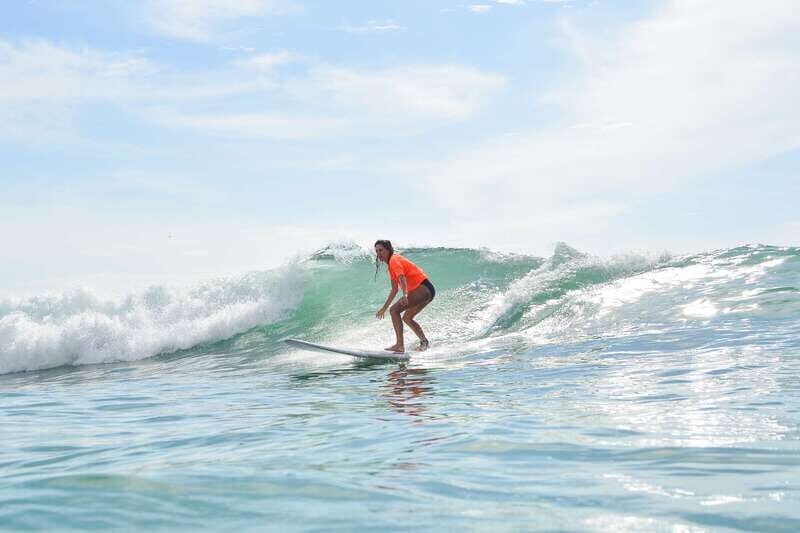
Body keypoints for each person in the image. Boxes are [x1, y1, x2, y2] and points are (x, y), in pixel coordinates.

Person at [374, 240, 436, 353]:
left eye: (381, 250)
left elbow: (402, 277)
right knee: (407, 318)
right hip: (427, 290)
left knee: (394, 311)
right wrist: (384, 308)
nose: (378, 253)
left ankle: (399, 345)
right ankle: (424, 342)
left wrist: (405, 295)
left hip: (422, 288)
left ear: (388, 250)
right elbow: (394, 289)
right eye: (377, 251)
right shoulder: (391, 266)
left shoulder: (393, 260)